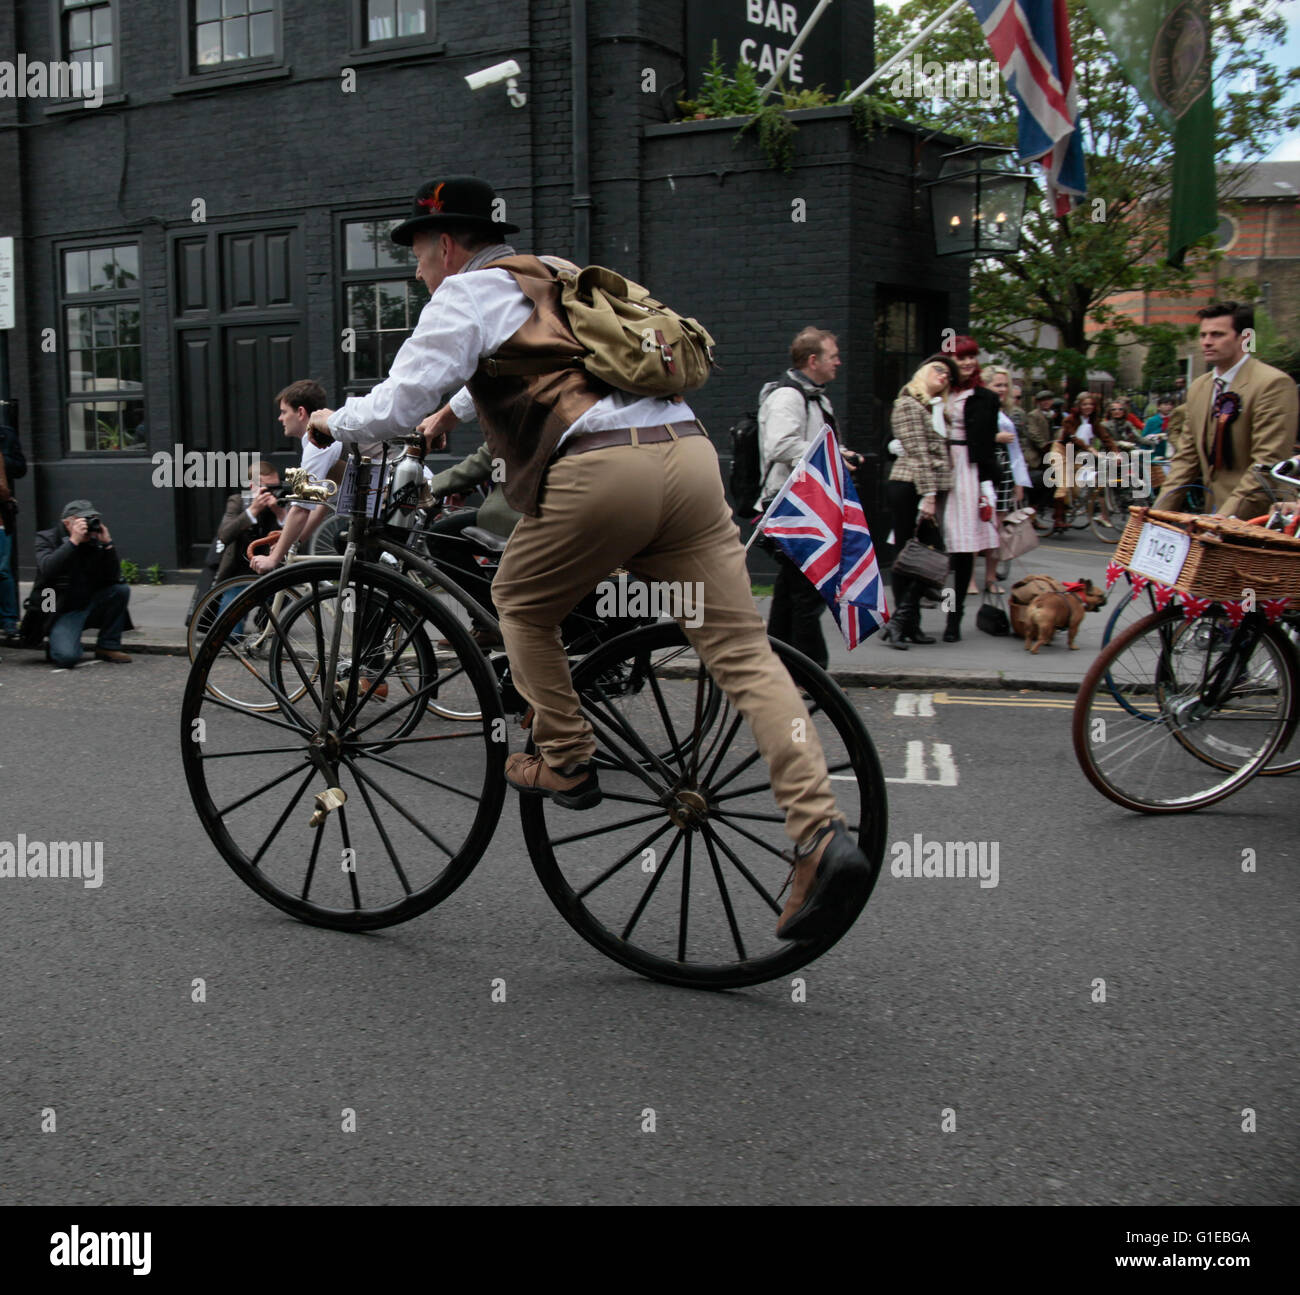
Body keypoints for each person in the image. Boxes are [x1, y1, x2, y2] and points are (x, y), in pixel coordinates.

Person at [307, 174, 873, 940]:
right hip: (688, 457)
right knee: (743, 653)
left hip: (604, 472)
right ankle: (819, 833)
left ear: (446, 245)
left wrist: (329, 423)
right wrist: (457, 410)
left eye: (417, 253)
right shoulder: (557, 274)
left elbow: (393, 406)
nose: (415, 270)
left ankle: (568, 756)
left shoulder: (463, 296)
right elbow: (555, 364)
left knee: (519, 601)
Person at [1154, 300, 1300, 518]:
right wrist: (1155, 516)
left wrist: (1223, 520)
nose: (1206, 342)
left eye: (1217, 335)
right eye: (1203, 335)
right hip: (1212, 516)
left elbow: (1266, 464)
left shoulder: (1273, 384)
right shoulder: (1199, 387)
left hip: (1260, 520)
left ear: (1245, 338)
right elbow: (1185, 460)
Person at [756, 327, 846, 671]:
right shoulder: (788, 396)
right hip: (792, 507)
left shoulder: (816, 396)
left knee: (791, 591)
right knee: (808, 593)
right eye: (832, 356)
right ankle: (813, 675)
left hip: (809, 505)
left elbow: (810, 445)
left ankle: (776, 665)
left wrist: (840, 454)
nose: (838, 362)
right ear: (813, 360)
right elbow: (779, 445)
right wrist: (829, 456)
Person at [881, 353, 957, 648]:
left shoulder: (931, 408)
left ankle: (907, 623)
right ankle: (901, 624)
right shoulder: (907, 404)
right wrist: (928, 495)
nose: (944, 376)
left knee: (923, 557)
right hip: (909, 486)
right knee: (912, 556)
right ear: (923, 372)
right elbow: (919, 453)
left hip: (921, 486)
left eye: (949, 376)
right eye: (939, 369)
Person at [941, 336, 1000, 640]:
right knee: (934, 547)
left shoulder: (985, 397)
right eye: (960, 357)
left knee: (963, 551)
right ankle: (912, 614)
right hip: (937, 468)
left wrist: (988, 487)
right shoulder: (935, 392)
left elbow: (988, 446)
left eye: (971, 357)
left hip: (967, 470)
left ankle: (954, 617)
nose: (966, 363)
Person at [249, 380, 342, 574]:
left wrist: (274, 558)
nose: (279, 418)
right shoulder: (317, 440)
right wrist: (292, 542)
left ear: (300, 413)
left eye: (284, 412)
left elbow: (301, 507)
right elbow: (320, 506)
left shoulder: (317, 442)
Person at [33, 500, 132, 667]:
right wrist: (73, 542)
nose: (89, 524)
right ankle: (57, 640)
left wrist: (108, 545)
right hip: (60, 609)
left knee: (120, 590)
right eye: (84, 519)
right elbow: (47, 570)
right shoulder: (46, 538)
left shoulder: (94, 541)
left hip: (88, 603)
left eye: (92, 518)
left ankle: (107, 646)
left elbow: (114, 577)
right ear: (67, 522)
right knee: (67, 658)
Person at [985, 367, 1030, 590]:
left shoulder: (1008, 412)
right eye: (997, 385)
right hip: (982, 471)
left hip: (1004, 472)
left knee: (998, 526)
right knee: (979, 525)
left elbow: (1016, 451)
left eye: (1005, 385)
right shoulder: (977, 407)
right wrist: (995, 437)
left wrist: (1018, 482)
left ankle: (990, 578)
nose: (1002, 389)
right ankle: (971, 580)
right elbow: (967, 438)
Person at [1023, 389, 1057, 515]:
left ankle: (1040, 509)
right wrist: (1044, 446)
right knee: (1036, 485)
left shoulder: (1053, 415)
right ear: (1038, 402)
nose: (1046, 403)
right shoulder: (1034, 415)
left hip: (1049, 455)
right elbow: (1033, 433)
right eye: (1043, 401)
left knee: (1052, 481)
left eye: (1048, 400)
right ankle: (1033, 512)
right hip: (1037, 455)